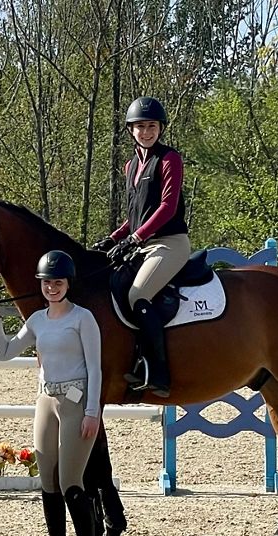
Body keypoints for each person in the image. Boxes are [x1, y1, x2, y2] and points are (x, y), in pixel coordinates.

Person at [0, 250, 103, 536]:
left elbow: (95, 367)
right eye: (47, 283)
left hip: (76, 402)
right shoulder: (37, 320)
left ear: (67, 284)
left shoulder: (83, 318)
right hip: (46, 400)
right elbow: (5, 353)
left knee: (70, 480)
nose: (52, 288)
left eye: (57, 282)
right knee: (47, 480)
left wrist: (92, 411)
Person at [94, 96, 189, 398]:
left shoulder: (169, 159)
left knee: (138, 294)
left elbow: (167, 208)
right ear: (131, 130)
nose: (146, 132)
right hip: (142, 244)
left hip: (169, 243)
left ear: (160, 128)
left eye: (151, 126)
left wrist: (134, 239)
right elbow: (135, 215)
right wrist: (114, 237)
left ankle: (157, 372)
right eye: (140, 127)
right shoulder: (131, 165)